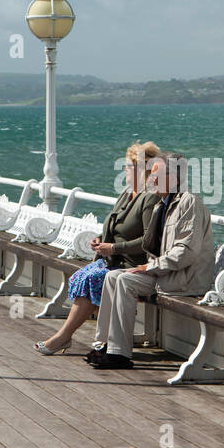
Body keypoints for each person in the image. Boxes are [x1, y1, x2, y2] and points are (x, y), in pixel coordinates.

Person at [88, 152, 216, 370]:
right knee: (112, 276)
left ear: (174, 178)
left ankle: (119, 354)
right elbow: (153, 245)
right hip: (166, 275)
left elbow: (186, 253)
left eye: (156, 175)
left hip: (184, 280)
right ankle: (105, 345)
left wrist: (149, 267)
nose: (150, 180)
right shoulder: (162, 205)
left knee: (125, 281)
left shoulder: (189, 204)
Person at [35, 141, 161, 355]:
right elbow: (115, 225)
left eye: (128, 166)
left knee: (92, 280)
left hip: (130, 265)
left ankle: (65, 337)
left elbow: (148, 241)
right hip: (113, 260)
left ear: (142, 170)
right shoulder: (126, 195)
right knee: (81, 277)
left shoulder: (148, 199)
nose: (125, 170)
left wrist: (113, 248)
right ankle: (104, 338)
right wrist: (99, 239)